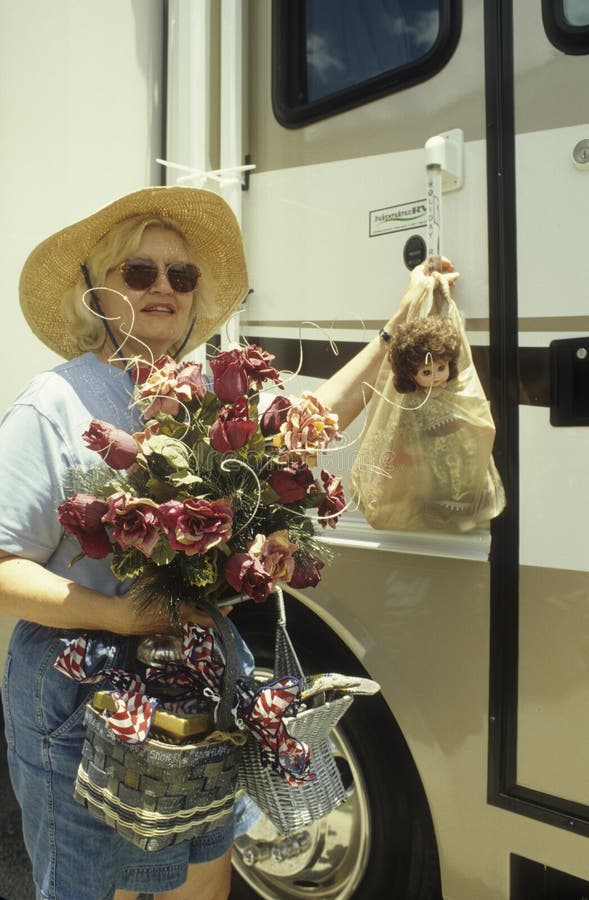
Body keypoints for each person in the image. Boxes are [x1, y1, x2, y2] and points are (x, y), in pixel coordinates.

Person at [0, 185, 405, 900]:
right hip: (84, 691)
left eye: (180, 276)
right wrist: (123, 615)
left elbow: (302, 428)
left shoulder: (208, 398)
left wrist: (392, 339)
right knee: (99, 886)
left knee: (202, 878)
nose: (163, 289)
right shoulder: (55, 403)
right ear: (97, 288)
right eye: (139, 272)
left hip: (201, 677)